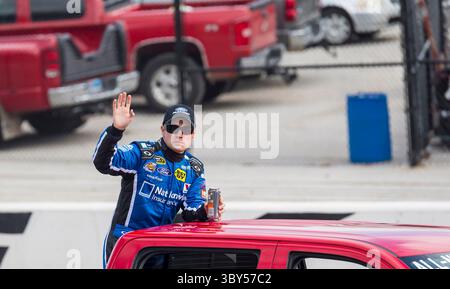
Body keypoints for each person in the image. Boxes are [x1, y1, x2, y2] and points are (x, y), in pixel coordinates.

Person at [93, 92, 224, 268]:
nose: (179, 134)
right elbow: (103, 163)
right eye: (173, 128)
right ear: (162, 130)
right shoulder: (142, 153)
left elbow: (191, 212)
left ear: (193, 135)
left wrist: (207, 210)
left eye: (185, 129)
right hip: (126, 242)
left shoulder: (194, 169)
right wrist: (116, 130)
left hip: (158, 248)